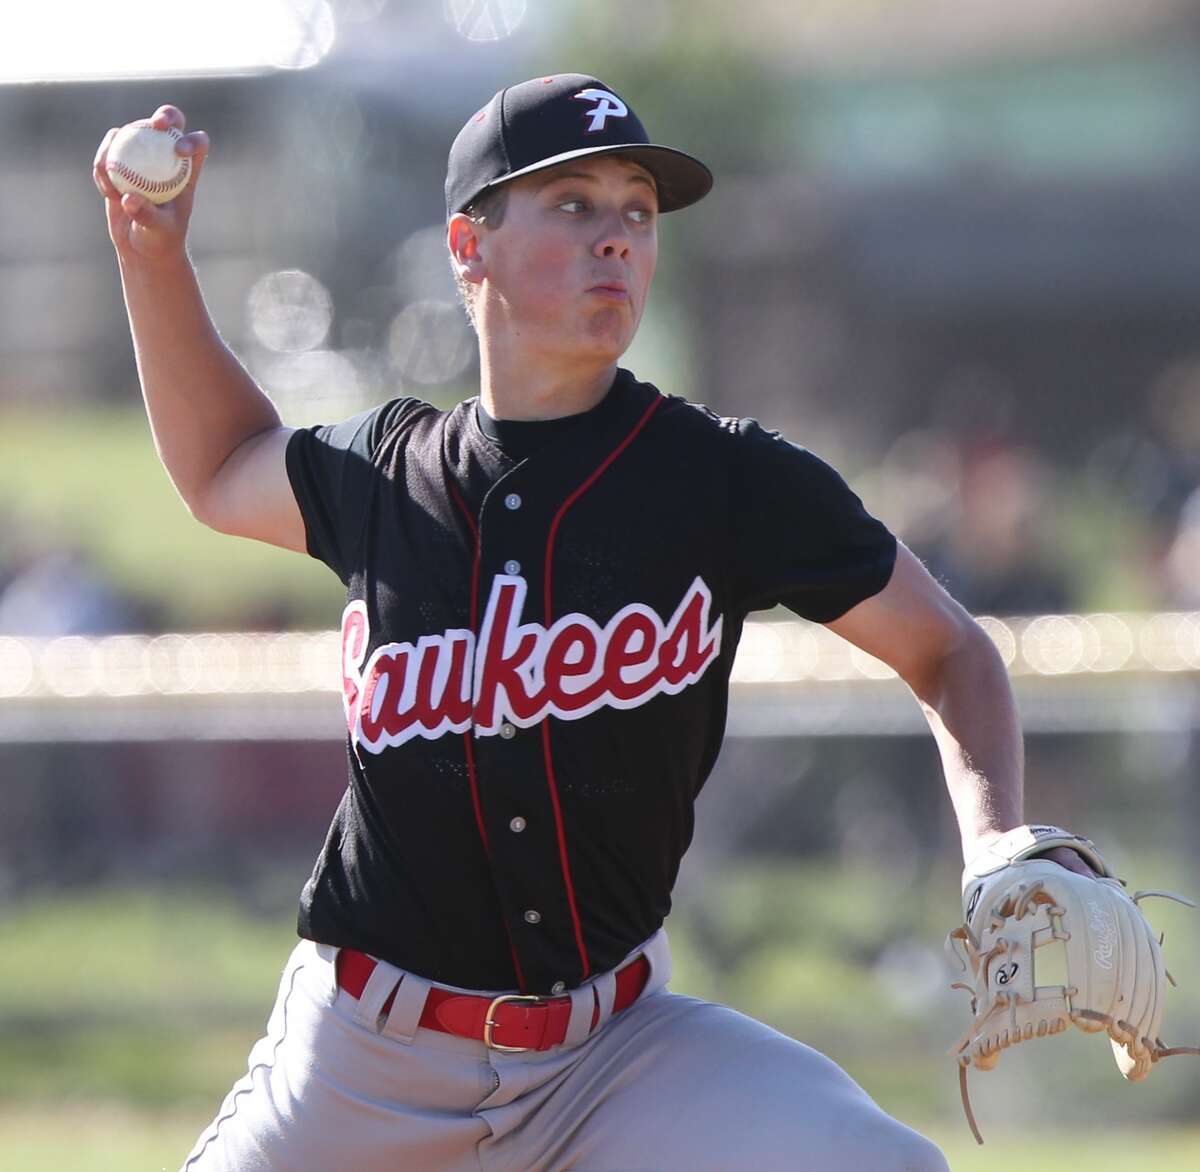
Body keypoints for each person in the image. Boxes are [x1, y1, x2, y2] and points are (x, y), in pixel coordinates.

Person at [94, 73, 1092, 1172]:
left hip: (616, 1054)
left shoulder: (723, 478)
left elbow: (948, 646)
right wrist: (153, 259)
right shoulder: (389, 476)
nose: (616, 237)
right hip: (364, 1064)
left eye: (636, 211)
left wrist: (997, 834)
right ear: (468, 247)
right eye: (572, 204)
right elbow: (222, 466)